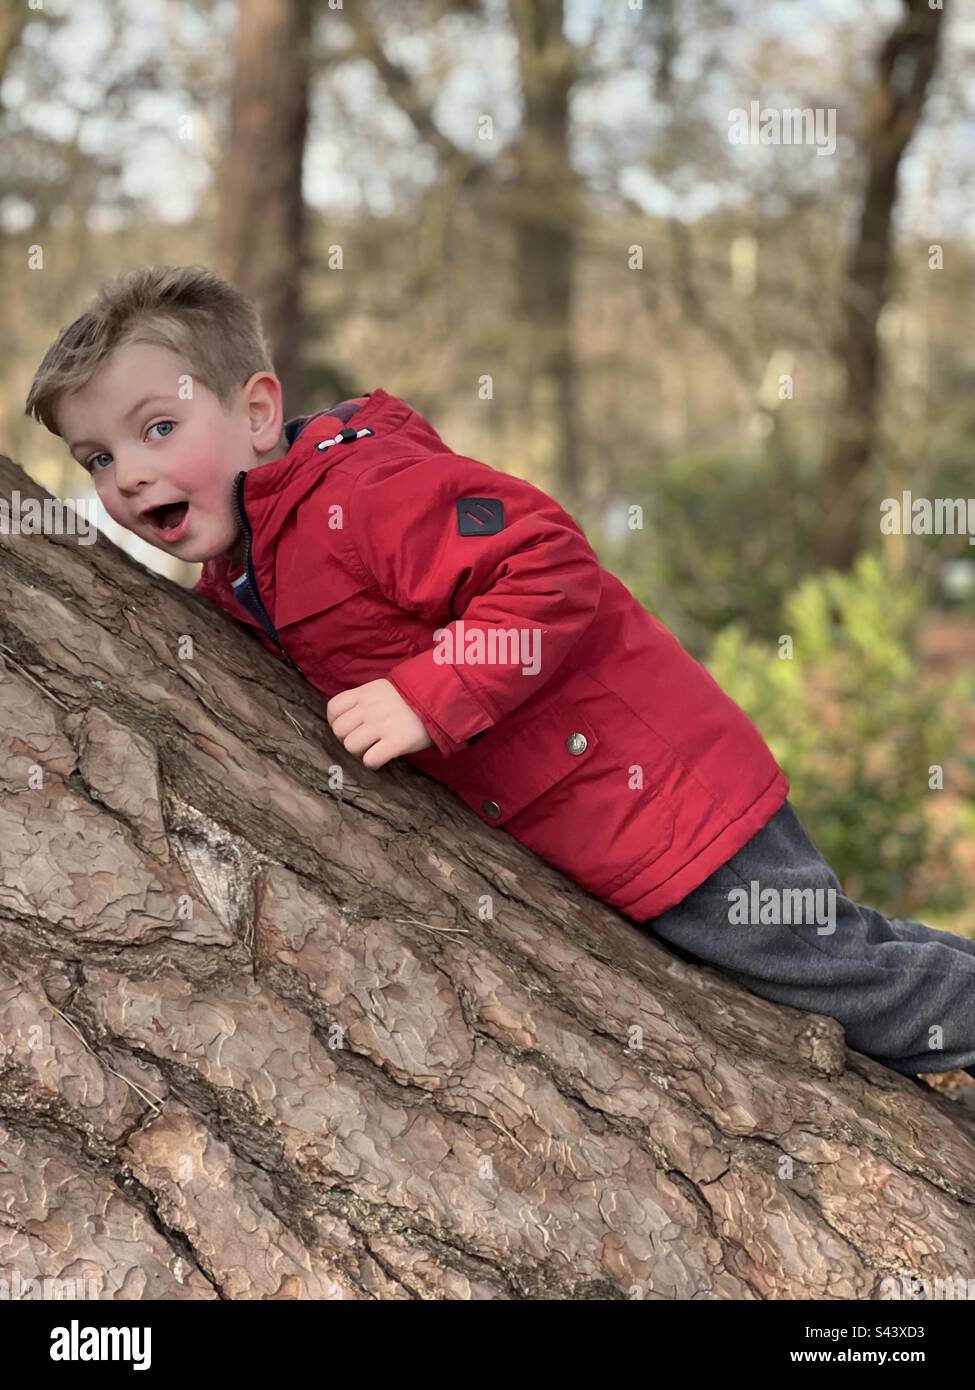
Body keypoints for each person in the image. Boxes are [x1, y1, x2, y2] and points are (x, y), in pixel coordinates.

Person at [24, 263, 975, 1093]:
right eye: (98, 458)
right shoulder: (245, 573)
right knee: (848, 952)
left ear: (258, 409)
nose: (129, 478)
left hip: (664, 799)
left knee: (843, 985)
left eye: (158, 428)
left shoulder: (361, 497)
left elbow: (548, 570)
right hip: (605, 818)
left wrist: (424, 695)